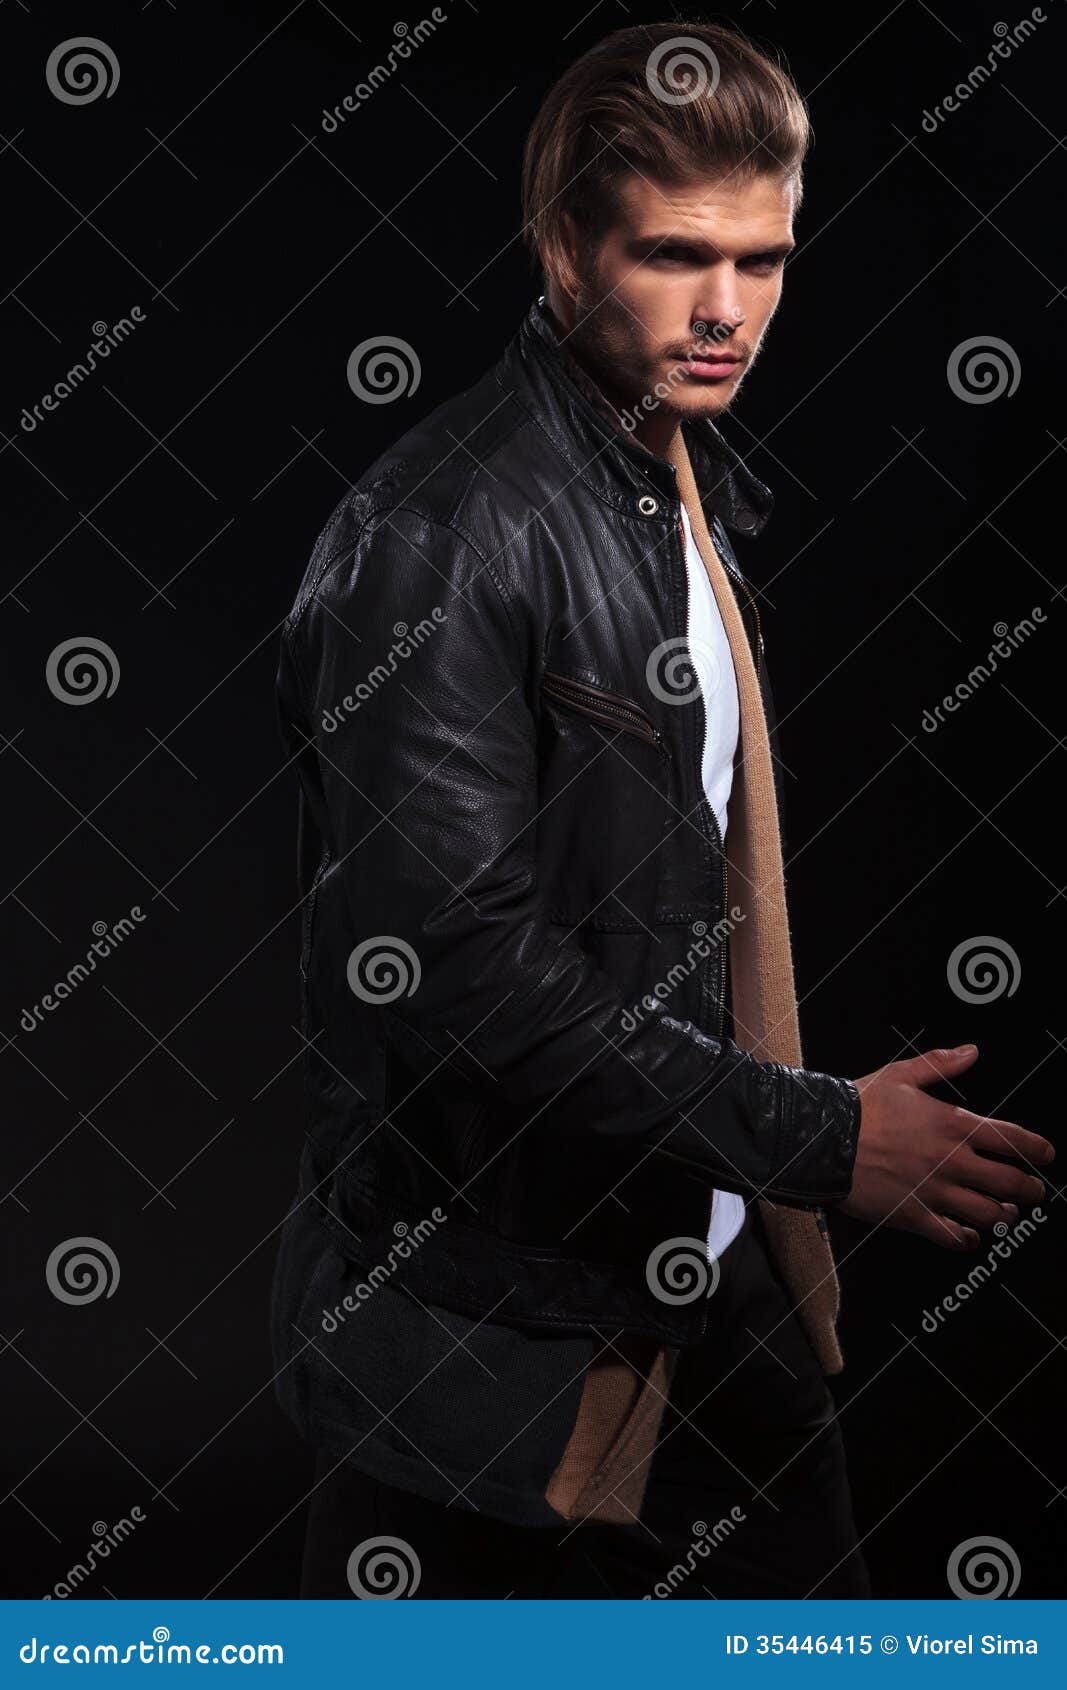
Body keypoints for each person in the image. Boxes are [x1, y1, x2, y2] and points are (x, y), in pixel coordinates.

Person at [270, 19, 1054, 1599]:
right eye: (676, 255)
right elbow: (453, 968)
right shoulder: (447, 533)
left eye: (763, 260)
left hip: (701, 1246)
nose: (728, 310)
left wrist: (775, 1149)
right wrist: (824, 1134)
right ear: (565, 247)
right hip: (507, 1309)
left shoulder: (682, 483)